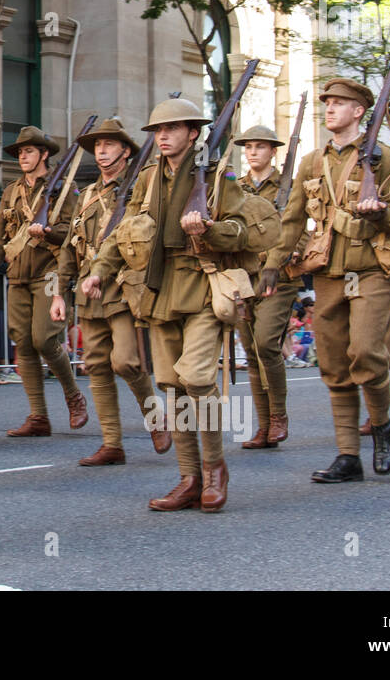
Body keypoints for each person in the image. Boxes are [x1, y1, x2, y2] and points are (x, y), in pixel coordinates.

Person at [86, 98, 250, 513]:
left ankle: (214, 469)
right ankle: (189, 476)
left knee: (195, 377)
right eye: (158, 130)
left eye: (172, 129)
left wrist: (211, 230)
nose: (162, 137)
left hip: (201, 285)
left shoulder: (217, 175)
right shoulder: (146, 178)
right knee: (172, 388)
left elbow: (243, 230)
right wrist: (99, 271)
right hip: (157, 290)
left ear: (193, 133)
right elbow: (125, 232)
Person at [262, 78, 390, 484]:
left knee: (365, 352)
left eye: (339, 103)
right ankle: (348, 455)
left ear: (359, 111)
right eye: (327, 103)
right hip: (326, 272)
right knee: (334, 364)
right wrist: (274, 262)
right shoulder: (311, 162)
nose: (330, 109)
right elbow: (291, 219)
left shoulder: (384, 159)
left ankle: (381, 426)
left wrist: (378, 214)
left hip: (371, 268)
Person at [55, 117, 171, 466]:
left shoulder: (138, 190)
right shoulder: (87, 195)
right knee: (96, 366)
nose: (102, 151)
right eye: (98, 146)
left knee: (126, 361)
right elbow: (68, 246)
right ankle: (112, 443)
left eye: (109, 145)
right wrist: (59, 292)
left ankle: (155, 417)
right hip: (88, 292)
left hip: (121, 287)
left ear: (125, 150)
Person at [0, 126, 87, 436]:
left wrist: (49, 232)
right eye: (20, 152)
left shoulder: (65, 188)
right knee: (23, 344)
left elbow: (73, 233)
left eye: (29, 151)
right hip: (17, 275)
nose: (23, 156)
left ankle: (73, 395)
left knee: (45, 339)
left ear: (45, 154)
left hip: (50, 272)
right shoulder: (12, 191)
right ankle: (38, 416)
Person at [231, 124, 301, 449]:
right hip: (244, 274)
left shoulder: (289, 184)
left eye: (260, 146)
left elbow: (294, 228)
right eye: (249, 147)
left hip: (279, 275)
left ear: (273, 151)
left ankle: (279, 415)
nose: (253, 152)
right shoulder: (234, 187)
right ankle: (262, 426)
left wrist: (274, 263)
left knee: (266, 343)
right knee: (249, 350)